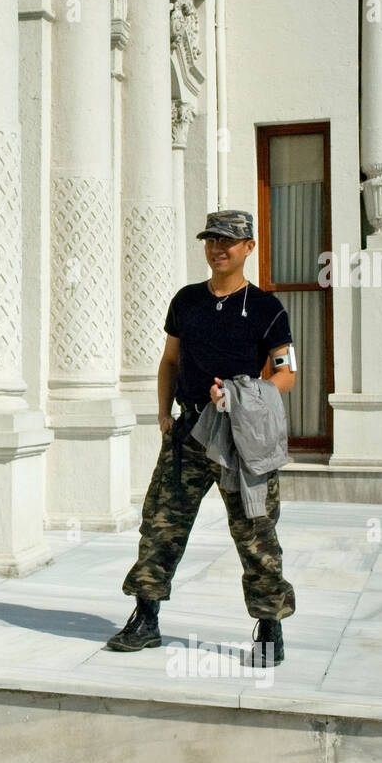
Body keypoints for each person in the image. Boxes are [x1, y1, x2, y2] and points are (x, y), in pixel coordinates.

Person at [112, 210, 296, 667]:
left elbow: (285, 373)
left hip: (241, 436)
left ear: (248, 248)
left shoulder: (267, 309)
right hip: (188, 431)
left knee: (256, 532)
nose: (218, 248)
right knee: (160, 525)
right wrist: (163, 412)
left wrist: (243, 395)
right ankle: (145, 617)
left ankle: (269, 626)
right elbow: (170, 361)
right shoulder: (187, 301)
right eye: (211, 240)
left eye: (228, 241)